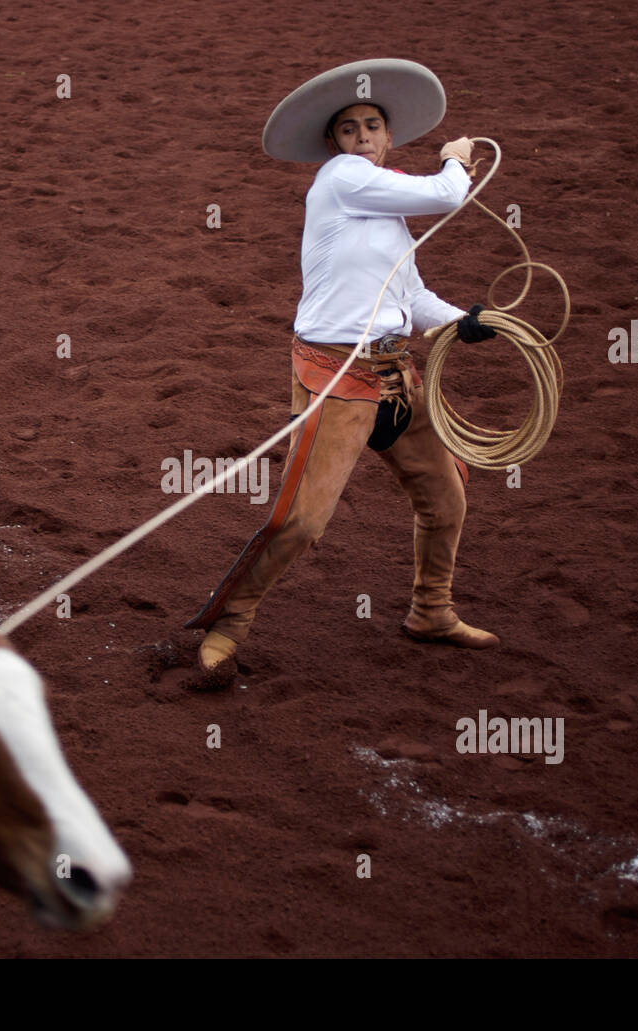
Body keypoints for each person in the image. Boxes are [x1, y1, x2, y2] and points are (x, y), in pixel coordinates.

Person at [185, 59, 501, 671]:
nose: (361, 136)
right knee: (303, 520)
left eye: (372, 126)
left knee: (446, 498)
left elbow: (409, 298)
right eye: (350, 128)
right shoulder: (341, 177)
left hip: (395, 378)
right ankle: (233, 617)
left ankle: (431, 610)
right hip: (336, 377)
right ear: (335, 143)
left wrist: (463, 319)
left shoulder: (385, 210)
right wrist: (457, 156)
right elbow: (447, 193)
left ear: (388, 136)